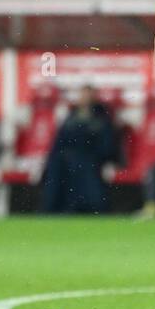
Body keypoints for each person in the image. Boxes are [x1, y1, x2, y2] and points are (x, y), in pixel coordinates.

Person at [40, 86, 118, 214]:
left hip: (91, 158)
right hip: (66, 158)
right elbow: (59, 142)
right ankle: (52, 207)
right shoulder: (71, 118)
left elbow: (107, 145)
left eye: (88, 95)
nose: (85, 98)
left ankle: (84, 206)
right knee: (55, 163)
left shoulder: (101, 119)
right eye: (83, 95)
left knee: (80, 164)